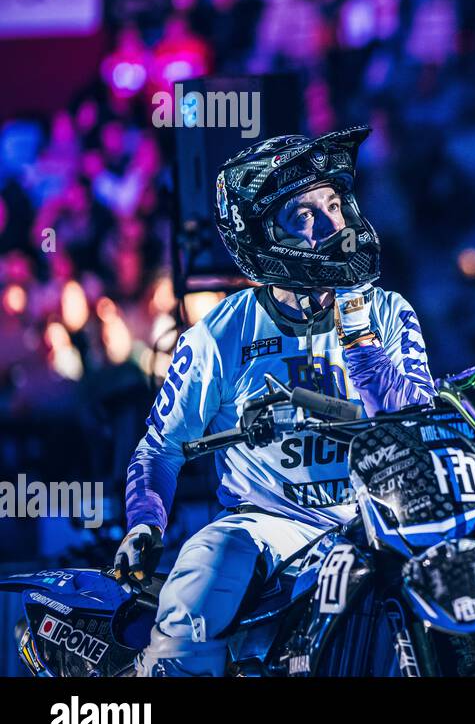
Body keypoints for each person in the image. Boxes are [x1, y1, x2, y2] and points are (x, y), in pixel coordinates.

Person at [112, 126, 436, 676]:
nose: (334, 226)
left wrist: (360, 337)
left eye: (334, 204)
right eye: (306, 214)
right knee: (205, 573)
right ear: (261, 236)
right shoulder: (219, 335)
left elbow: (415, 426)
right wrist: (146, 524)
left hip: (378, 523)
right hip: (269, 527)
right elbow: (162, 448)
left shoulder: (388, 312)